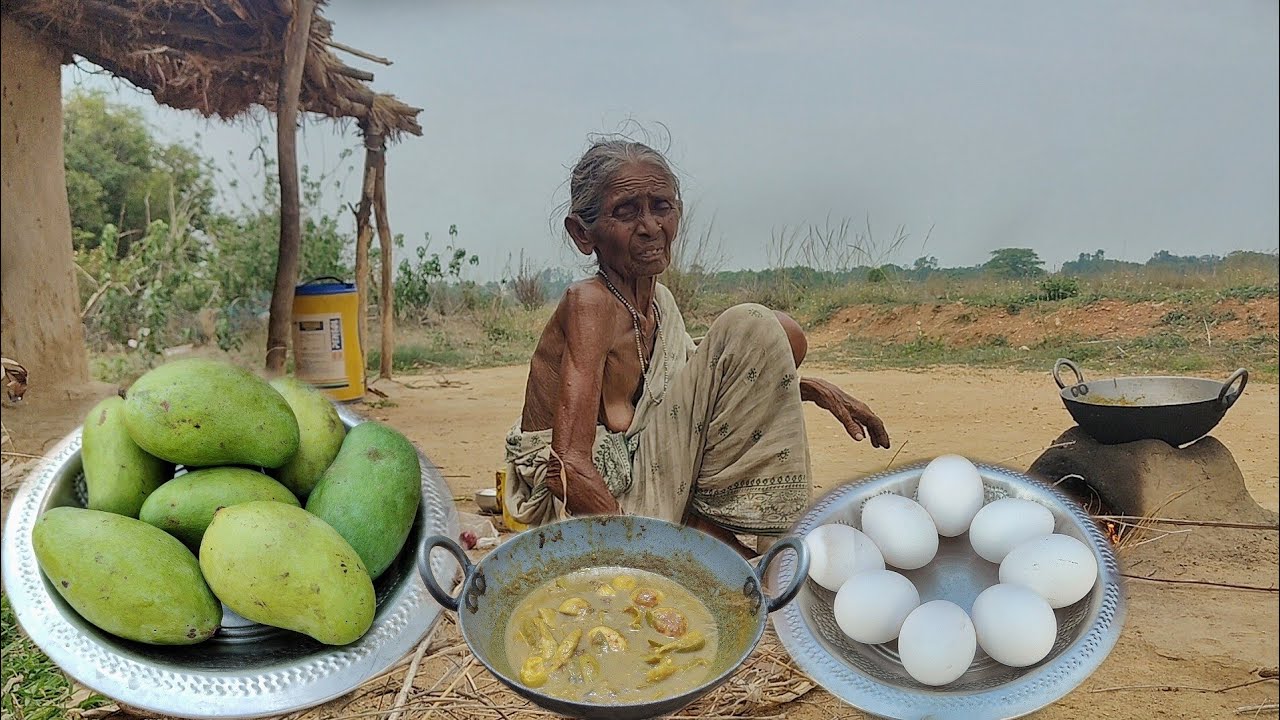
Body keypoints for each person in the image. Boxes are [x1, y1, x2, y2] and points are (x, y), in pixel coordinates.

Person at [502, 138, 890, 557]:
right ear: (583, 234)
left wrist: (808, 390)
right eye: (626, 211)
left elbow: (705, 395)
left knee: (778, 334)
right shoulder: (590, 303)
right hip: (583, 509)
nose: (650, 227)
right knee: (751, 325)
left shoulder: (659, 305)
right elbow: (569, 469)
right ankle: (704, 536)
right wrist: (637, 554)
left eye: (661, 207)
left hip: (645, 480)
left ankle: (722, 536)